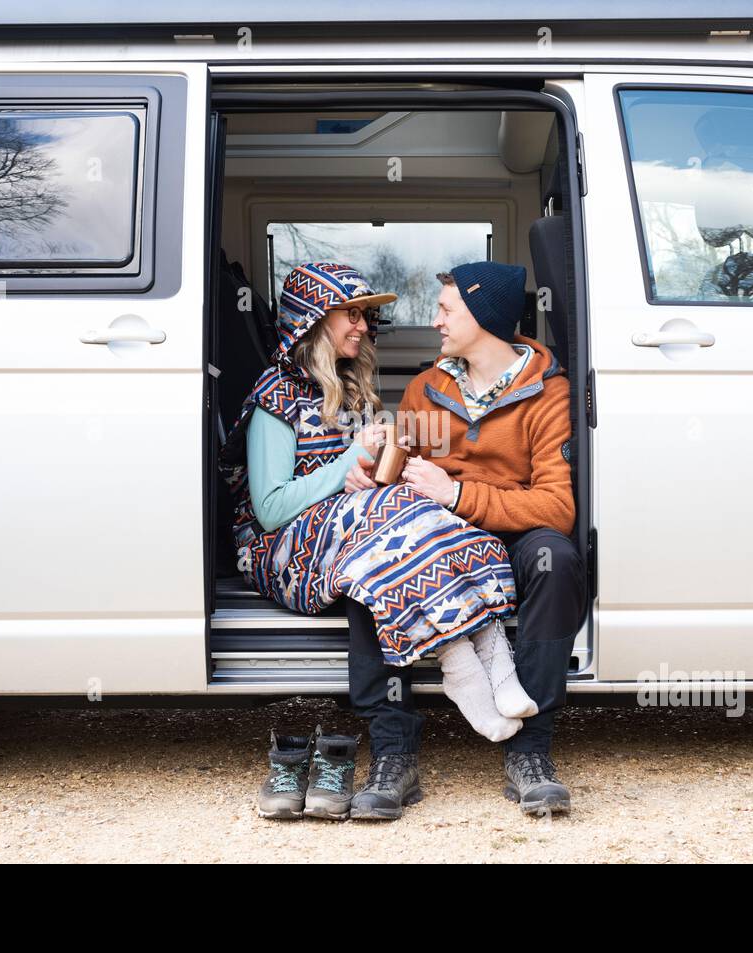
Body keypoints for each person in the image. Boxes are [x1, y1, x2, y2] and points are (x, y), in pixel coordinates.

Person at [219, 262, 540, 820]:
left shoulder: (349, 387)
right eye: (352, 314)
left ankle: (474, 652)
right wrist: (348, 465)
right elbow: (270, 512)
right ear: (314, 319)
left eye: (366, 316)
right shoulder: (273, 396)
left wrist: (384, 466)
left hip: (346, 528)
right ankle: (472, 664)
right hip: (281, 550)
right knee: (380, 537)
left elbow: (362, 485)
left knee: (416, 505)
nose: (364, 327)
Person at [343, 261, 584, 820]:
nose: (435, 322)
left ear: (485, 316)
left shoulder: (548, 392)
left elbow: (556, 506)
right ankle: (392, 754)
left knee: (557, 559)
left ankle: (530, 752)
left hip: (513, 529)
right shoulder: (431, 387)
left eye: (446, 309)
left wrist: (457, 495)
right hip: (440, 533)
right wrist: (367, 466)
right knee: (369, 566)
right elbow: (401, 458)